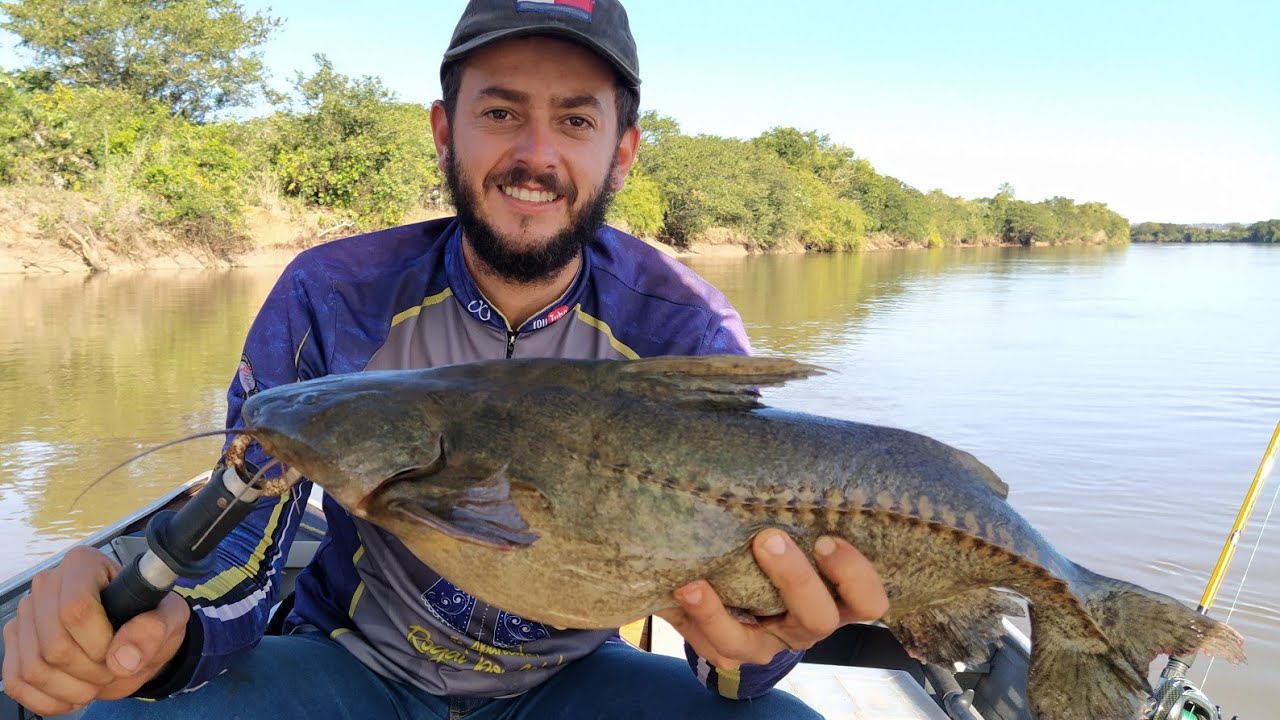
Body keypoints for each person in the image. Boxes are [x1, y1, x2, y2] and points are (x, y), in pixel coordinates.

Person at [2, 1, 889, 717]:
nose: (534, 155)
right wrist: (153, 633)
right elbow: (243, 557)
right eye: (501, 111)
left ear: (622, 150)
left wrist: (762, 647)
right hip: (350, 668)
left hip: (572, 685)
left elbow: (724, 663)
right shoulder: (331, 295)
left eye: (574, 120)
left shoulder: (684, 329)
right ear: (444, 129)